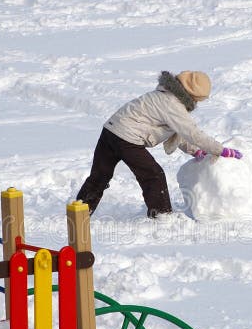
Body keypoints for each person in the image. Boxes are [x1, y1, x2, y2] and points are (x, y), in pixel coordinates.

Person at [76, 70, 243, 218]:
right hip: (127, 138)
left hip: (110, 132)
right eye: (197, 100)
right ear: (192, 95)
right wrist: (221, 150)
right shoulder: (172, 104)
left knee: (99, 176)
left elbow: (177, 131)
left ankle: (79, 212)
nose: (197, 104)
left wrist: (194, 151)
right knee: (153, 175)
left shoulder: (163, 96)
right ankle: (162, 216)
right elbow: (192, 133)